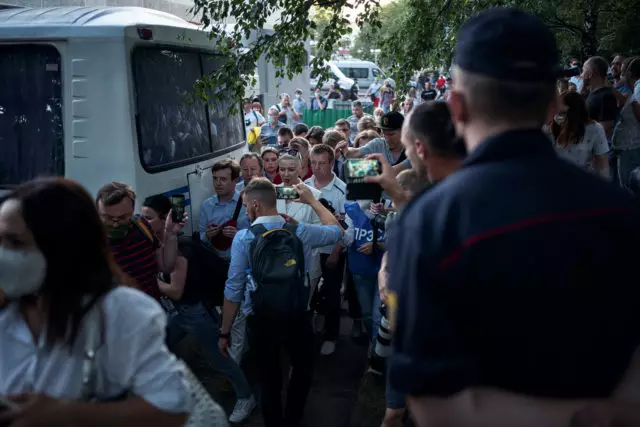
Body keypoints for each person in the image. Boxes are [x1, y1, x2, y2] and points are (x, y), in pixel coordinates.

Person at [387, 8, 640, 427]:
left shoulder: (429, 223)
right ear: (554, 103)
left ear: (456, 106)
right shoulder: (621, 213)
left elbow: (432, 403)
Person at [0, 178, 193, 427]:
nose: (3, 255)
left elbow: (173, 405)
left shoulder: (118, 312)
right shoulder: (9, 313)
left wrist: (67, 415)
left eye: (15, 243)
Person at [219, 178, 344, 427]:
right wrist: (312, 201)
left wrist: (224, 332)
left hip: (261, 317)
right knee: (301, 370)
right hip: (297, 313)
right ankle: (294, 417)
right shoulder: (299, 231)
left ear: (255, 205)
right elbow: (338, 230)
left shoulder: (244, 238)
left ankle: (274, 421)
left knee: (269, 378)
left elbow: (233, 290)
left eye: (245, 206)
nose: (245, 210)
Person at [141, 195, 256, 423]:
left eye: (148, 218)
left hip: (196, 314)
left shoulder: (180, 251)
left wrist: (146, 279)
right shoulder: (161, 243)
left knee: (219, 360)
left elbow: (174, 290)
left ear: (166, 219)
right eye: (141, 217)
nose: (142, 222)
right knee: (162, 343)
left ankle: (246, 397)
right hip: (182, 313)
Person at [97, 182, 184, 302]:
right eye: (108, 218)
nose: (115, 224)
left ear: (132, 211)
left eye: (122, 217)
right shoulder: (90, 243)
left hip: (150, 310)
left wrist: (171, 233)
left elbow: (166, 266)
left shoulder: (142, 227)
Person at [551, 91, 610, 179]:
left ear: (575, 112)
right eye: (558, 113)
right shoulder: (553, 127)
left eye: (563, 113)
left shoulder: (594, 129)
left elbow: (602, 165)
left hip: (582, 181)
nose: (559, 117)